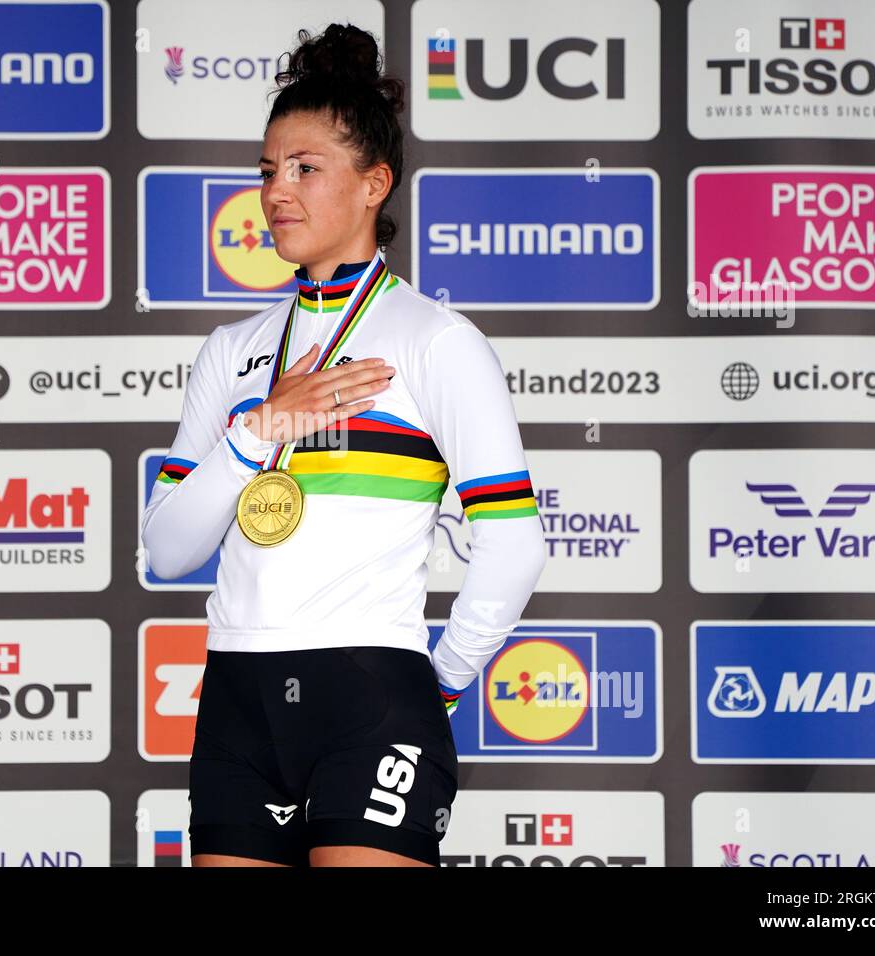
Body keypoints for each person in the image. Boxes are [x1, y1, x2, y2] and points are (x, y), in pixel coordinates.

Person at [139, 23, 547, 867]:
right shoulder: (232, 348)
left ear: (374, 185)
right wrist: (260, 432)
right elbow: (168, 549)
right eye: (267, 170)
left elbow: (512, 546)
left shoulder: (435, 340)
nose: (276, 192)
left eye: (305, 168)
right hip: (237, 699)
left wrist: (435, 687)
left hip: (372, 695)